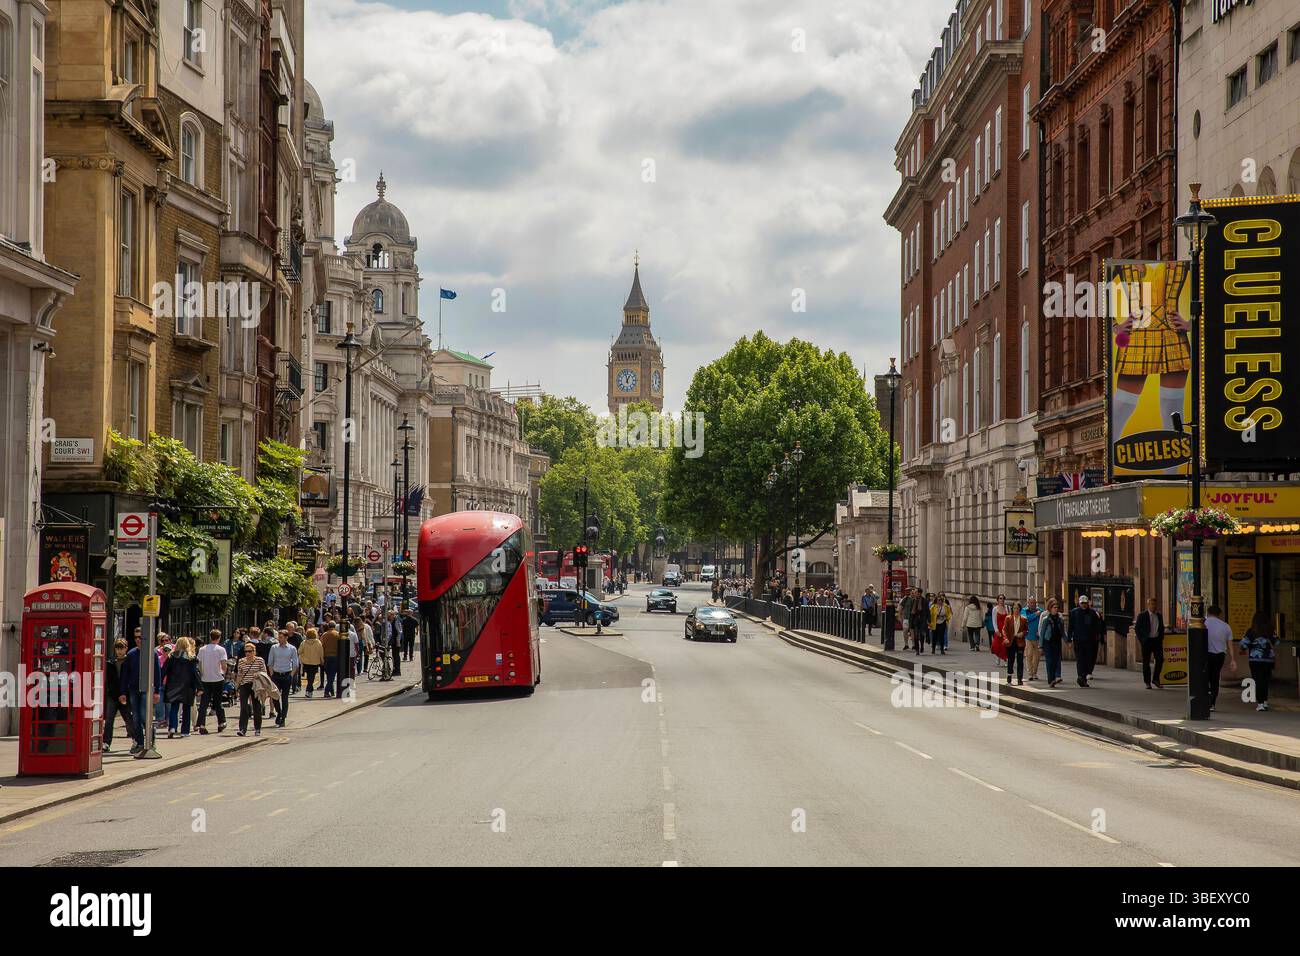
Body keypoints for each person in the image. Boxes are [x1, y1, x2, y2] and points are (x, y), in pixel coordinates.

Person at [120, 638, 161, 755]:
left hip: (147, 690)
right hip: (133, 689)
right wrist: (123, 692)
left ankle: (151, 741)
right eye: (136, 637)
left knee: (145, 717)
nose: (138, 639)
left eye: (141, 637)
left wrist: (157, 691)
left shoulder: (152, 653)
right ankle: (139, 743)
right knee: (135, 718)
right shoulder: (131, 654)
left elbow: (157, 673)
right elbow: (125, 674)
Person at [1240, 611, 1280, 712]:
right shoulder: (1271, 631)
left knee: (1258, 681)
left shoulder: (1252, 631)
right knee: (1265, 680)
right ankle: (1265, 701)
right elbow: (1277, 642)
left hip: (1255, 660)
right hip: (1268, 660)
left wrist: (1250, 647)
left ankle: (1260, 703)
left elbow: (1243, 645)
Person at [162, 636, 202, 738]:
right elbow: (195, 673)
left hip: (173, 685)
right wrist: (200, 687)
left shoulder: (171, 657)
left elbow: (163, 670)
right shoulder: (191, 658)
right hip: (187, 686)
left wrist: (158, 682)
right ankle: (185, 731)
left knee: (174, 707)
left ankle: (172, 727)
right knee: (187, 708)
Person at [1067, 593, 1104, 687]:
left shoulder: (1092, 613)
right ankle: (1080, 676)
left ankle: (1084, 677)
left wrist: (1099, 638)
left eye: (1085, 603)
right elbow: (1070, 627)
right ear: (1079, 603)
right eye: (1082, 603)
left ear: (1087, 603)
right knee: (1080, 659)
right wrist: (1069, 639)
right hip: (1078, 640)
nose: (1083, 605)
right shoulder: (1074, 612)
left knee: (1088, 659)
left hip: (1090, 640)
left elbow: (1097, 627)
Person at [102, 638, 133, 752]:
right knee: (109, 720)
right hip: (113, 695)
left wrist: (125, 693)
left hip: (125, 694)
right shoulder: (110, 662)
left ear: (126, 648)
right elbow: (109, 680)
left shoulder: (129, 661)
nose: (119, 651)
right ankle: (106, 742)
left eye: (122, 648)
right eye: (117, 648)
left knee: (128, 718)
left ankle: (135, 739)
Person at [196, 629, 229, 735]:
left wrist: (202, 674)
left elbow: (199, 665)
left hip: (205, 679)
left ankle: (201, 724)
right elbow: (224, 664)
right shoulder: (221, 649)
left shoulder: (202, 649)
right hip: (218, 678)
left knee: (203, 703)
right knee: (217, 702)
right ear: (219, 638)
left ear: (210, 637)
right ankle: (221, 722)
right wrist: (223, 673)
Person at [1204, 605, 1236, 713]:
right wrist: (1233, 660)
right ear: (1219, 614)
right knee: (1215, 677)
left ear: (1208, 612)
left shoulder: (1203, 624)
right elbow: (1230, 644)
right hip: (1219, 656)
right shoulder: (1226, 626)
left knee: (1205, 677)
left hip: (1206, 655)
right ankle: (1212, 703)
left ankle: (1205, 698)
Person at [235, 641, 269, 736]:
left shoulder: (259, 660)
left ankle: (257, 728)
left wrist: (258, 675)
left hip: (256, 685)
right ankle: (242, 729)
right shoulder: (241, 661)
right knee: (244, 707)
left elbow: (264, 673)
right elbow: (240, 674)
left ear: (254, 651)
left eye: (250, 651)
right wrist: (236, 687)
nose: (248, 653)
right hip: (244, 685)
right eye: (246, 651)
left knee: (256, 707)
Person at [267, 630, 300, 727]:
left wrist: (291, 675)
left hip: (287, 675)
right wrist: (272, 674)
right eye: (279, 637)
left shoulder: (292, 648)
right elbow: (270, 662)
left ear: (286, 638)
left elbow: (295, 663)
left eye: (281, 637)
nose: (279, 639)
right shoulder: (274, 647)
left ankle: (283, 718)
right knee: (275, 697)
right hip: (276, 675)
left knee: (285, 698)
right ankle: (279, 713)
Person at [1134, 597, 1165, 690]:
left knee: (1160, 659)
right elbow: (1137, 629)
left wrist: (1161, 637)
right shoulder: (1142, 615)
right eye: (1151, 604)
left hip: (1156, 641)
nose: (1153, 606)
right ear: (1148, 605)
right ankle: (1147, 682)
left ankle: (1155, 679)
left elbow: (1161, 627)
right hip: (1147, 641)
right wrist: (1142, 640)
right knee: (1146, 662)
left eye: (1154, 604)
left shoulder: (1159, 616)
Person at [1039, 598, 1066, 687]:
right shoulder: (1046, 619)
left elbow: (1062, 632)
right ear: (1050, 608)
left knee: (1055, 661)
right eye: (1054, 607)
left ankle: (1053, 678)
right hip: (1048, 642)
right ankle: (1051, 679)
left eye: (1057, 607)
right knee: (1049, 661)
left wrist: (1067, 641)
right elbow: (1042, 633)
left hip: (1057, 642)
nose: (1056, 609)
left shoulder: (1060, 619)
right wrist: (1041, 646)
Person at [1003, 601, 1027, 685]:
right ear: (1012, 609)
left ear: (1020, 609)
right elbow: (1004, 630)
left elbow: (1026, 630)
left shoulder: (1023, 619)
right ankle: (1009, 675)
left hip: (1020, 642)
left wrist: (1023, 633)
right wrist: (1005, 638)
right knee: (1011, 659)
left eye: (1018, 608)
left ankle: (1020, 678)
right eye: (1014, 608)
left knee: (1020, 660)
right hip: (1011, 641)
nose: (1016, 610)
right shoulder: (1008, 618)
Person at [299, 626, 325, 698]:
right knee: (312, 677)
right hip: (315, 662)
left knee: (309, 677)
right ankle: (309, 690)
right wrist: (322, 661)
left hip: (306, 662)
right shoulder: (318, 643)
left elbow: (299, 651)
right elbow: (321, 653)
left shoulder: (304, 642)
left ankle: (309, 690)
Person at [1022, 597, 1042, 680]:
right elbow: (1025, 619)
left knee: (1037, 656)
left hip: (1037, 637)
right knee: (1029, 655)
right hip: (1028, 636)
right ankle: (1030, 673)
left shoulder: (1040, 611)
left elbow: (1043, 619)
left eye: (1034, 603)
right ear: (1028, 603)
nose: (1033, 604)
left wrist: (1040, 631)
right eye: (1031, 603)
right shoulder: (1024, 610)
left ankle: (1035, 673)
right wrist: (1035, 615)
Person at [320, 621, 341, 698]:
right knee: (332, 676)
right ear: (335, 626)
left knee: (329, 675)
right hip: (335, 656)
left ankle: (331, 691)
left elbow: (321, 645)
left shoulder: (324, 635)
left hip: (326, 656)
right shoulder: (338, 634)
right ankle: (326, 691)